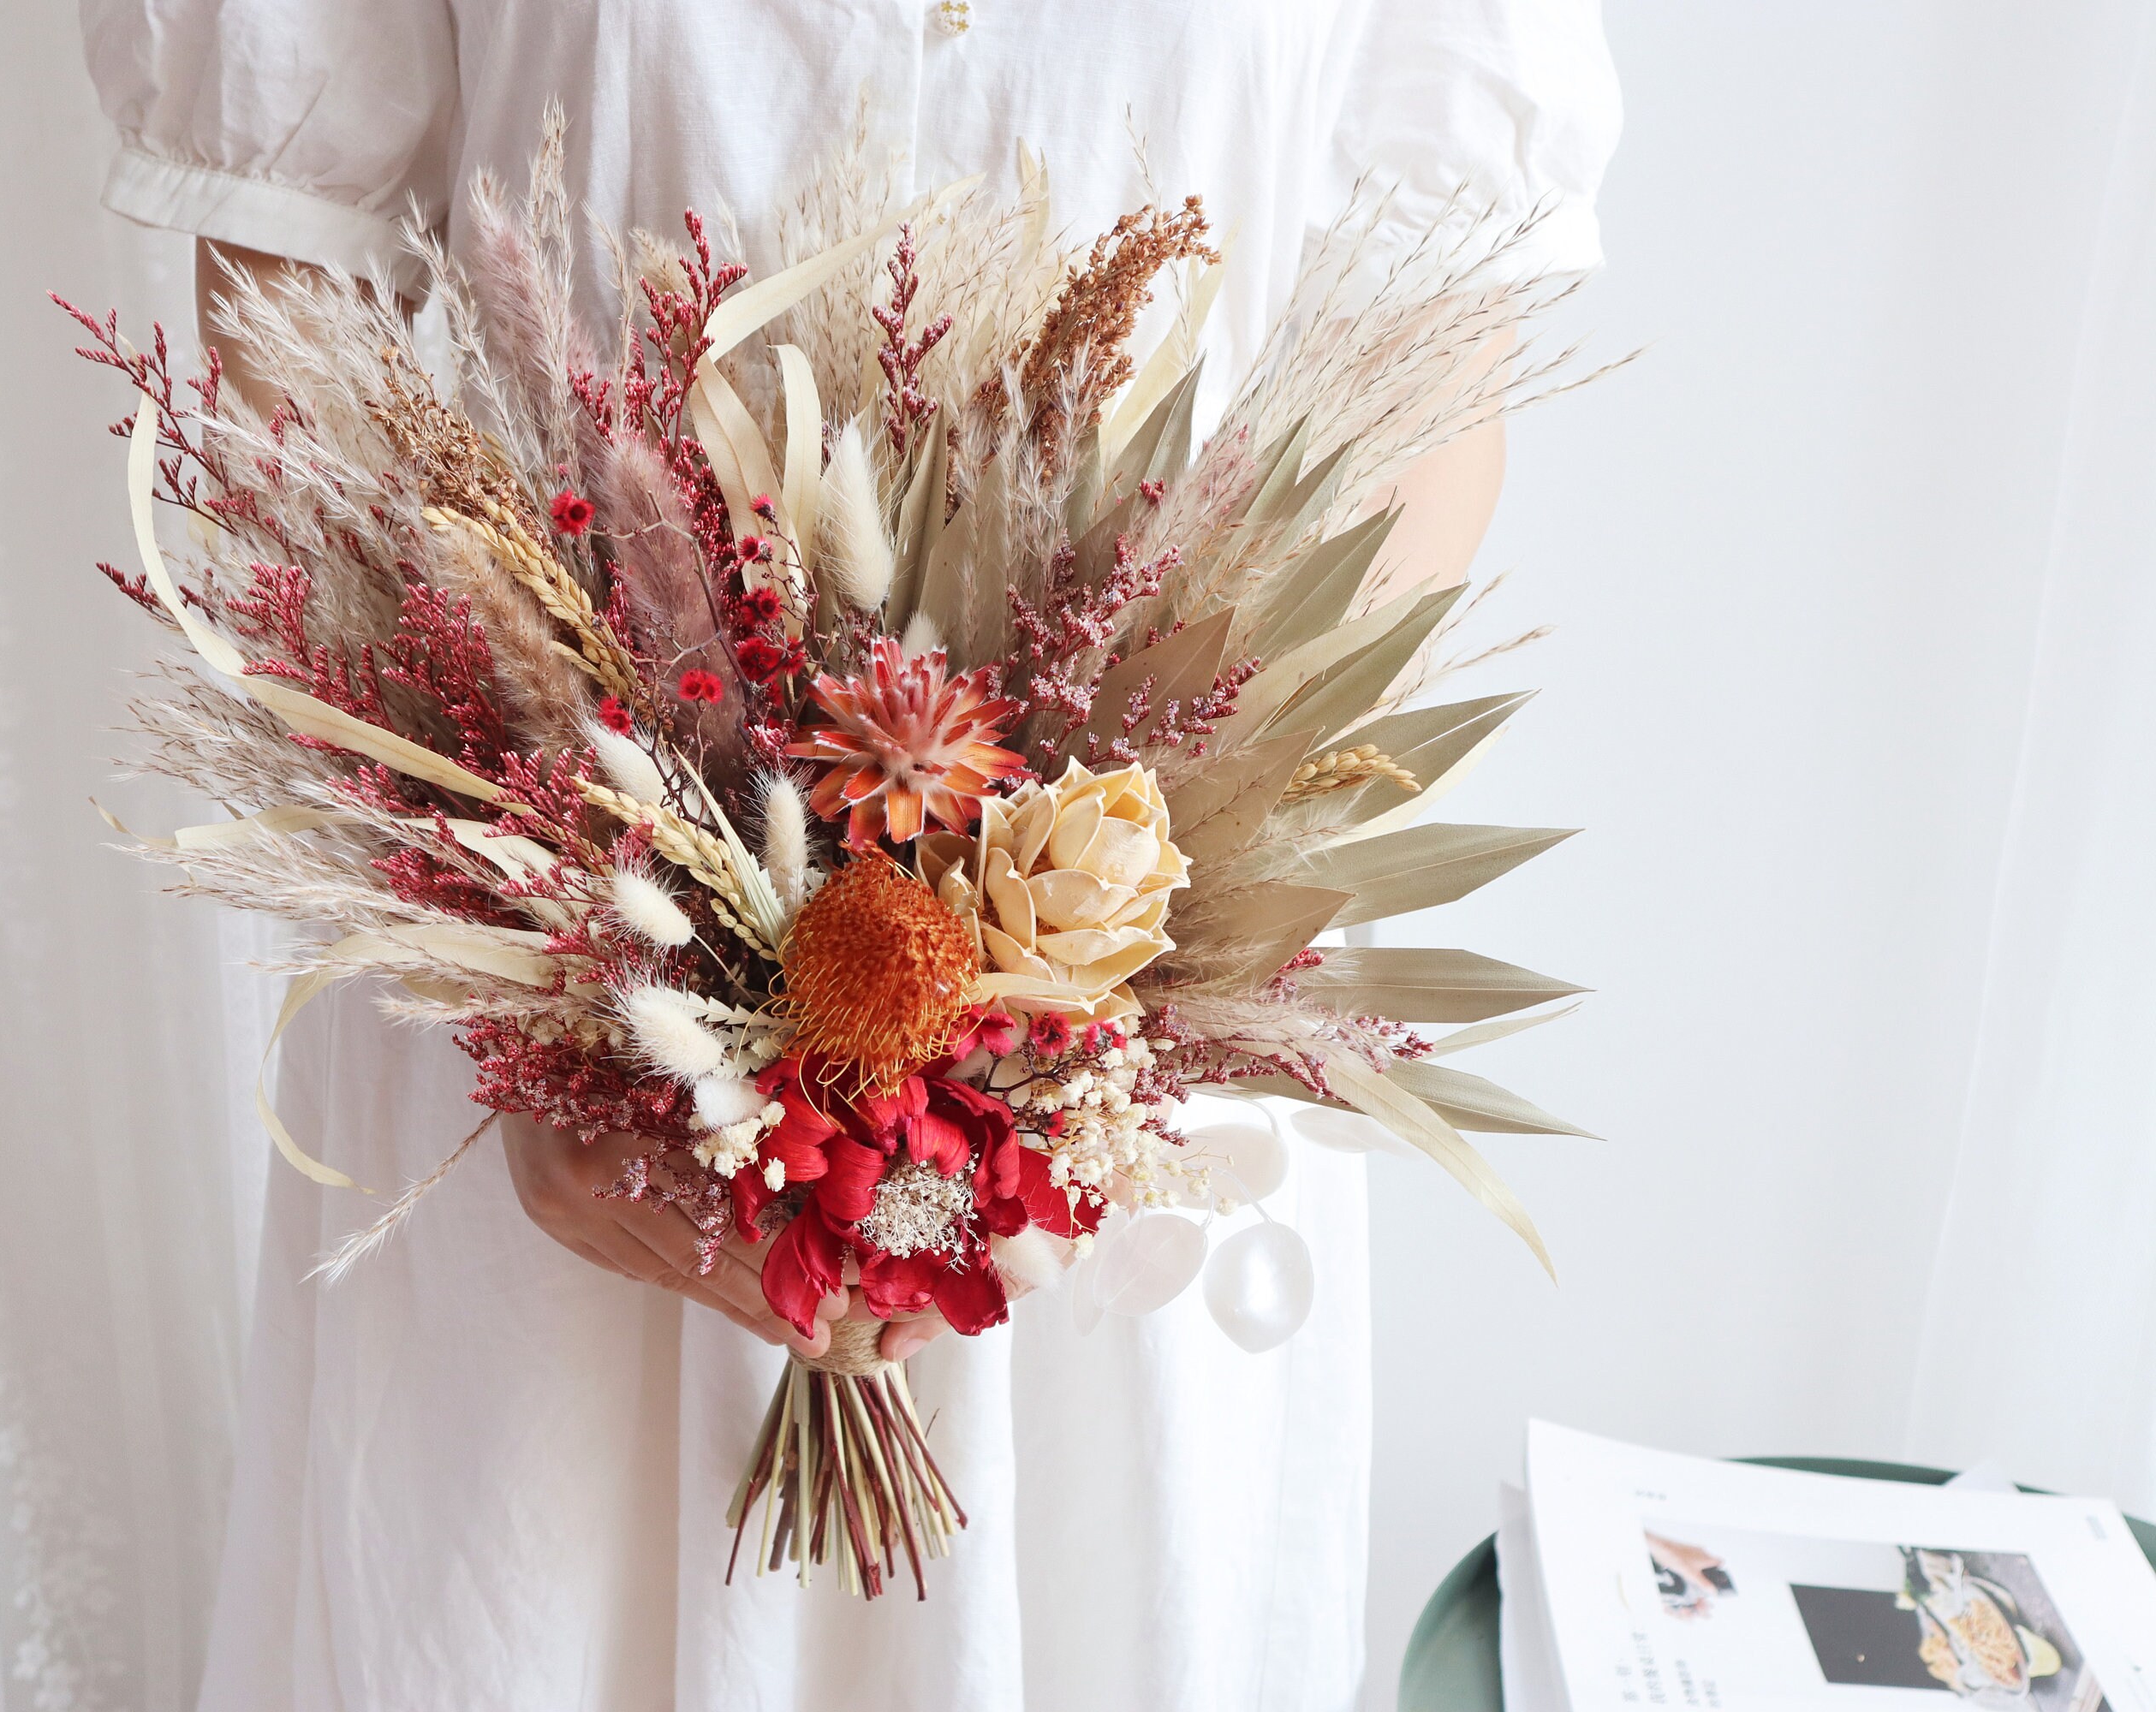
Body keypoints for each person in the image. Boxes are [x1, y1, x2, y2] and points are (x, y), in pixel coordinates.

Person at [80, 5, 1620, 1707]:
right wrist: (539, 975)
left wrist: (1138, 929)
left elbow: (1422, 370)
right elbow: (302, 306)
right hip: (567, 977)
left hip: (1130, 993)